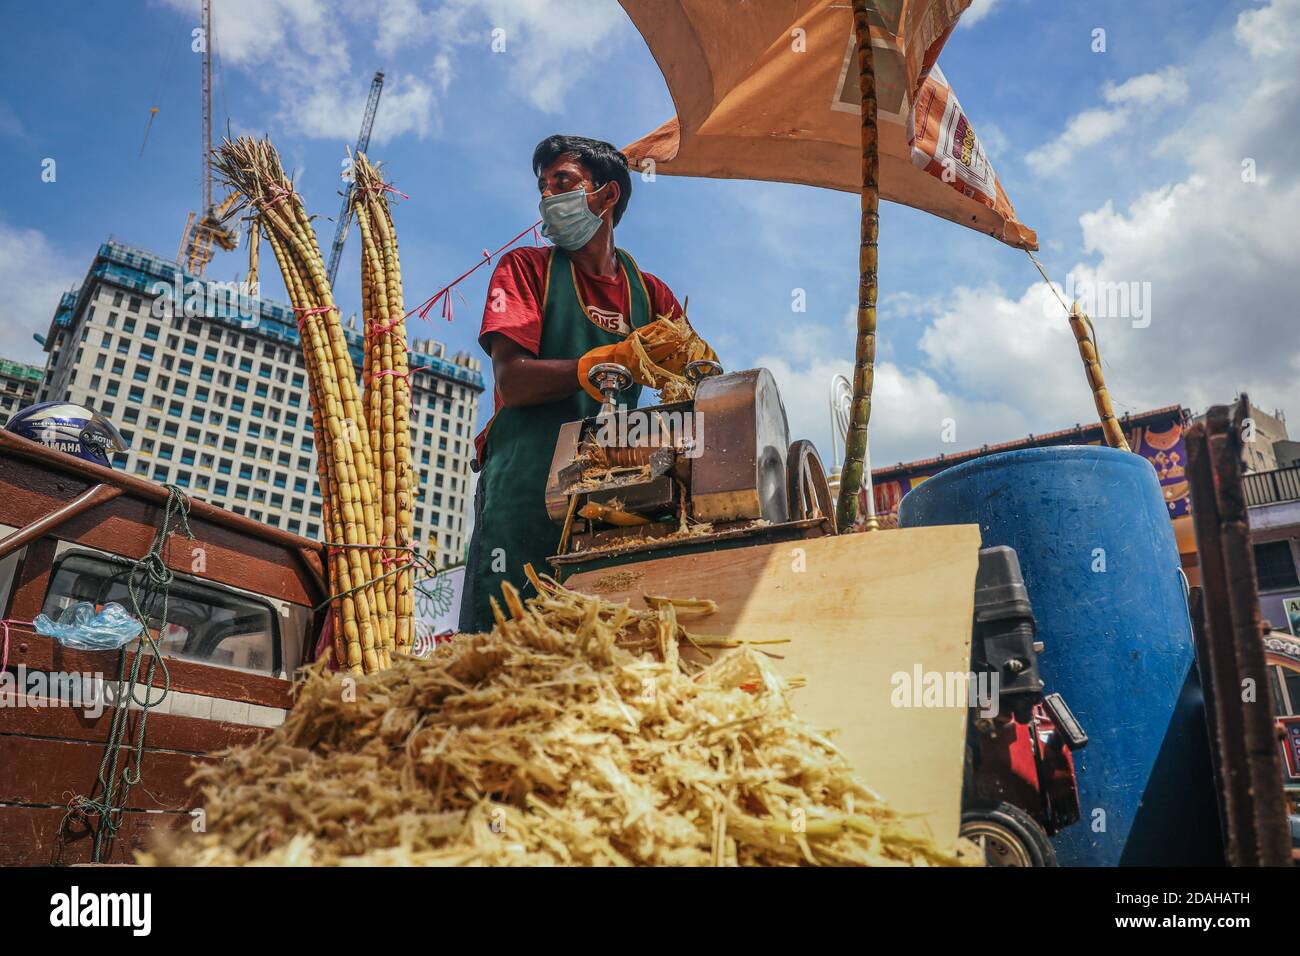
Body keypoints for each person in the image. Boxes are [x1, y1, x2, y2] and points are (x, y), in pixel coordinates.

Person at [458, 134, 714, 633]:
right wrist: (601, 363)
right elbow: (511, 382)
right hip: (524, 485)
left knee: (597, 640)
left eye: (563, 182)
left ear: (608, 195)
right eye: (543, 186)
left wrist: (700, 367)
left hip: (615, 491)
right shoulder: (526, 269)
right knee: (504, 643)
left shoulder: (651, 294)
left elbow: (697, 381)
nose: (548, 197)